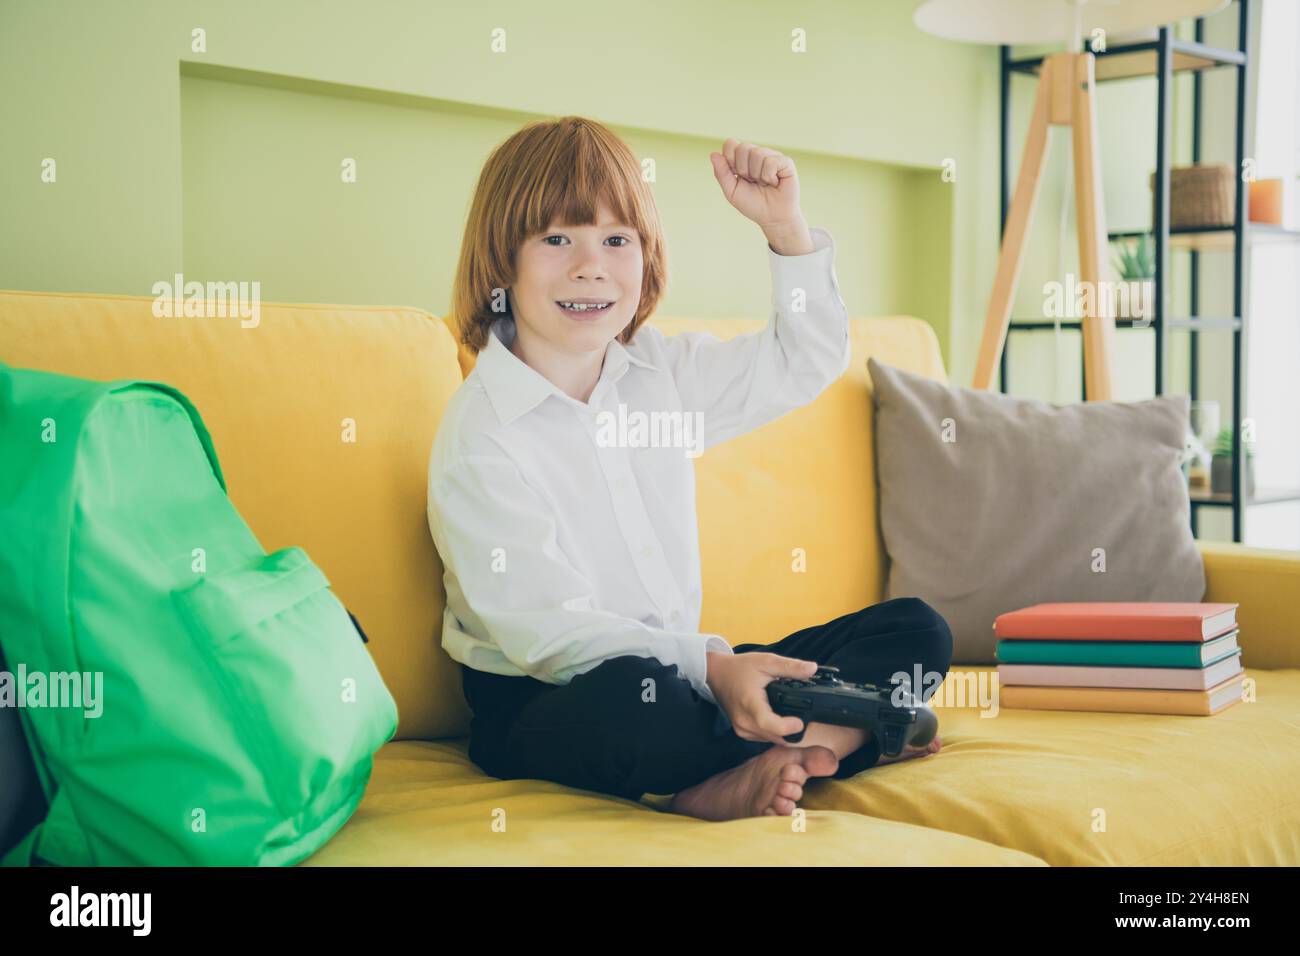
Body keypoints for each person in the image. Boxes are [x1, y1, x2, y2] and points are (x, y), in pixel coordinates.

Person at [428, 116, 951, 821]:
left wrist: (786, 230)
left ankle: (786, 752)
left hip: (694, 670)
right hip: (550, 693)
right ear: (502, 260)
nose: (592, 266)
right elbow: (550, 634)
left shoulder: (660, 371)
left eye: (617, 240)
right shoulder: (481, 435)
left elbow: (802, 362)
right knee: (637, 702)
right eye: (557, 239)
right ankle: (827, 740)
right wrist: (714, 668)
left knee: (915, 631)